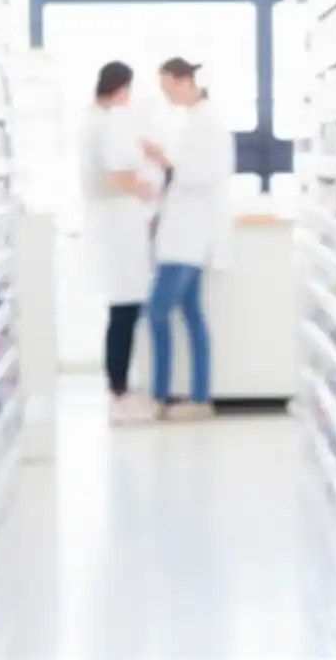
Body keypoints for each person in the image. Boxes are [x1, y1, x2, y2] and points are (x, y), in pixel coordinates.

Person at [141, 57, 233, 419]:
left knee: (158, 311)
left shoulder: (208, 122)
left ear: (184, 82)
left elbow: (200, 175)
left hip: (189, 235)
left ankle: (162, 395)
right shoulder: (194, 120)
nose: (167, 97)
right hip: (184, 231)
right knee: (192, 313)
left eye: (168, 89)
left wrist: (163, 159)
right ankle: (198, 397)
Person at [79, 61, 158, 422]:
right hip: (117, 225)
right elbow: (115, 176)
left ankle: (119, 388)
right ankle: (119, 391)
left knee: (123, 306)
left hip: (113, 224)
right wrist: (142, 188)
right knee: (125, 308)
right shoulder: (105, 123)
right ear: (121, 88)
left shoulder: (93, 120)